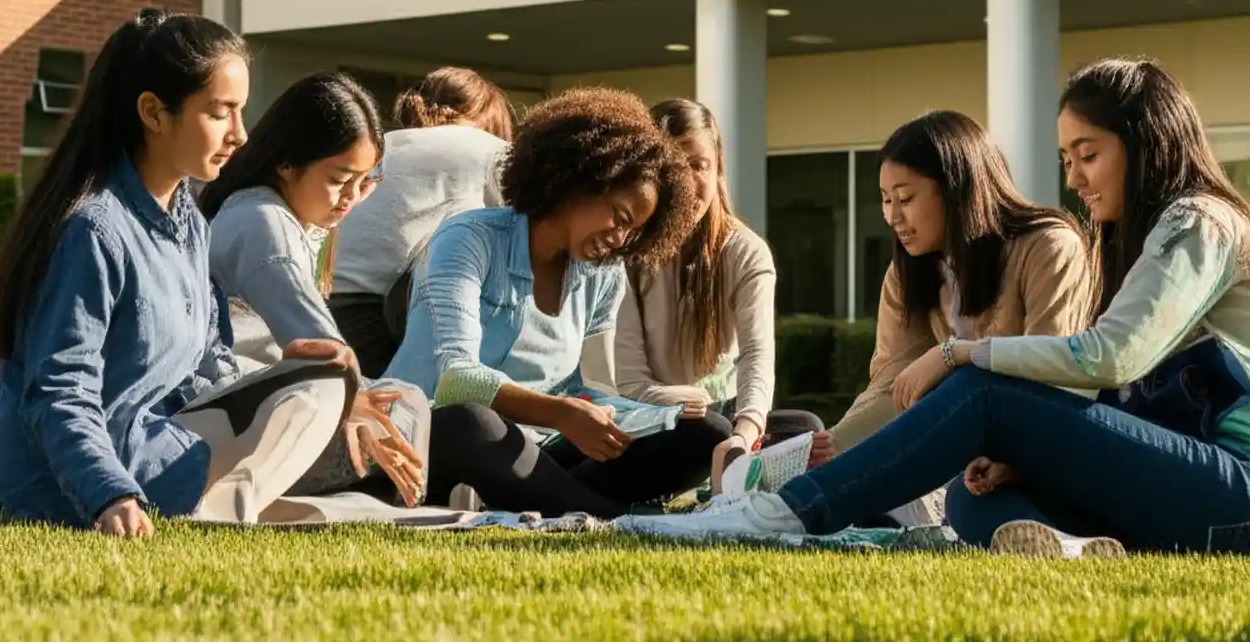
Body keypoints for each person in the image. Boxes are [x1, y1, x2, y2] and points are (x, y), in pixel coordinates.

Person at [615, 58, 1250, 557]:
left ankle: (780, 513)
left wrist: (958, 352)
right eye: (1066, 159)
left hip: (1231, 490)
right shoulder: (1129, 239)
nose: (1075, 178)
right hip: (1178, 490)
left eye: (1089, 155)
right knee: (975, 499)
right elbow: (1119, 399)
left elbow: (1111, 356)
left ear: (1146, 145)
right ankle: (1070, 551)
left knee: (982, 388)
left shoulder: (1197, 220)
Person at [0, 9, 420, 537]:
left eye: (240, 112)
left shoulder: (187, 218)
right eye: (220, 112)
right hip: (75, 481)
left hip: (161, 443)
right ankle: (224, 511)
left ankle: (232, 503)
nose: (241, 134)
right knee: (326, 387)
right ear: (154, 112)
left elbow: (207, 364)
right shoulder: (92, 230)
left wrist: (277, 379)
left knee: (325, 378)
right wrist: (107, 494)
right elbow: (60, 389)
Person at [388, 87, 730, 518]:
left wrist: (646, 415)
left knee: (704, 432)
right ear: (581, 179)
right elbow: (455, 379)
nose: (620, 239)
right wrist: (562, 414)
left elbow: (583, 390)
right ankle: (606, 514)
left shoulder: (602, 273)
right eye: (620, 218)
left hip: (541, 450)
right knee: (471, 421)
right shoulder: (469, 239)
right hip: (432, 433)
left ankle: (556, 501)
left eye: (633, 233)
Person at [808, 110, 1093, 525]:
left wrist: (952, 354)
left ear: (957, 190)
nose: (892, 216)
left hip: (1051, 444)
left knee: (972, 500)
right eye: (886, 200)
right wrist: (833, 446)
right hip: (968, 459)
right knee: (943, 496)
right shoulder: (908, 270)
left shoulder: (1048, 247)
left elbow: (1050, 373)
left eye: (905, 199)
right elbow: (894, 381)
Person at [199, 71, 430, 502]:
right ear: (286, 163)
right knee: (410, 411)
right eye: (339, 180)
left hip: (251, 408)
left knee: (403, 404)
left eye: (364, 183)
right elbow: (322, 348)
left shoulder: (273, 215)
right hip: (237, 419)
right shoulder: (263, 223)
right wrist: (355, 407)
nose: (350, 198)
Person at [616, 98, 806, 487]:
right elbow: (631, 385)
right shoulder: (627, 253)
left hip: (724, 419)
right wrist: (691, 402)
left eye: (698, 165)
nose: (686, 183)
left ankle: (735, 467)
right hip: (650, 419)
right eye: (671, 169)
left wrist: (746, 433)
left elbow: (757, 356)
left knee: (805, 430)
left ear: (717, 167)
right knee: (707, 430)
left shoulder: (745, 251)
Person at [329, 67, 514, 377]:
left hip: (322, 312)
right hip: (390, 324)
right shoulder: (490, 151)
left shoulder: (381, 144)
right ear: (488, 119)